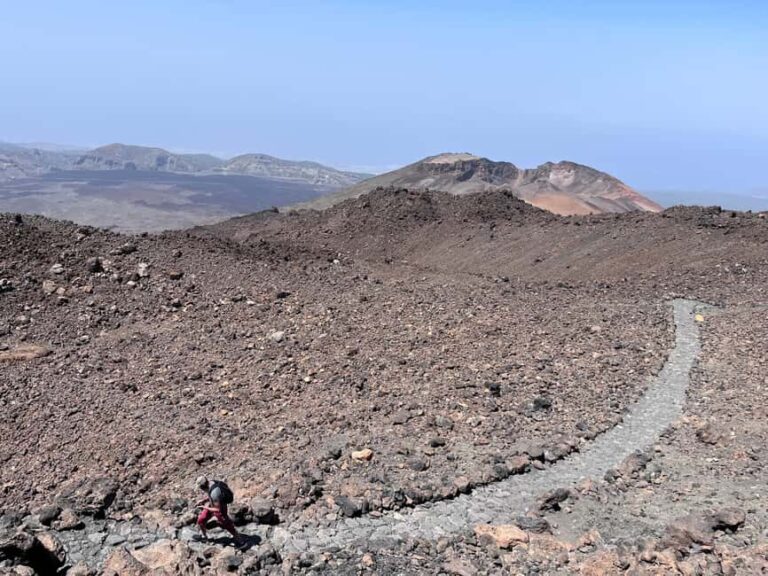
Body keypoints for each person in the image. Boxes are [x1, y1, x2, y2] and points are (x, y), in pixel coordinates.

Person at [194, 475, 244, 546]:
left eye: (200, 488)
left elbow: (217, 509)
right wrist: (203, 500)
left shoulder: (215, 492)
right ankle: (204, 536)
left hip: (220, 509)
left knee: (227, 524)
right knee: (201, 520)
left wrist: (204, 507)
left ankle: (240, 540)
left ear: (203, 486)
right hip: (213, 504)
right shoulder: (210, 483)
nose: (200, 489)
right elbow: (210, 495)